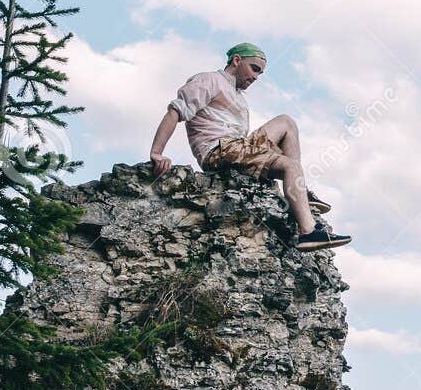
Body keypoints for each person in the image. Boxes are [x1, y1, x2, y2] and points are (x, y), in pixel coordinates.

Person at [149, 42, 351, 253]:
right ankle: (308, 232)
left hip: (238, 146)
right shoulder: (209, 80)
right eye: (254, 69)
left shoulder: (236, 94)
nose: (256, 77)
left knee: (286, 122)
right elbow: (175, 111)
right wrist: (157, 152)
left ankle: (298, 191)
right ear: (237, 60)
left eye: (260, 73)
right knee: (290, 166)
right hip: (219, 150)